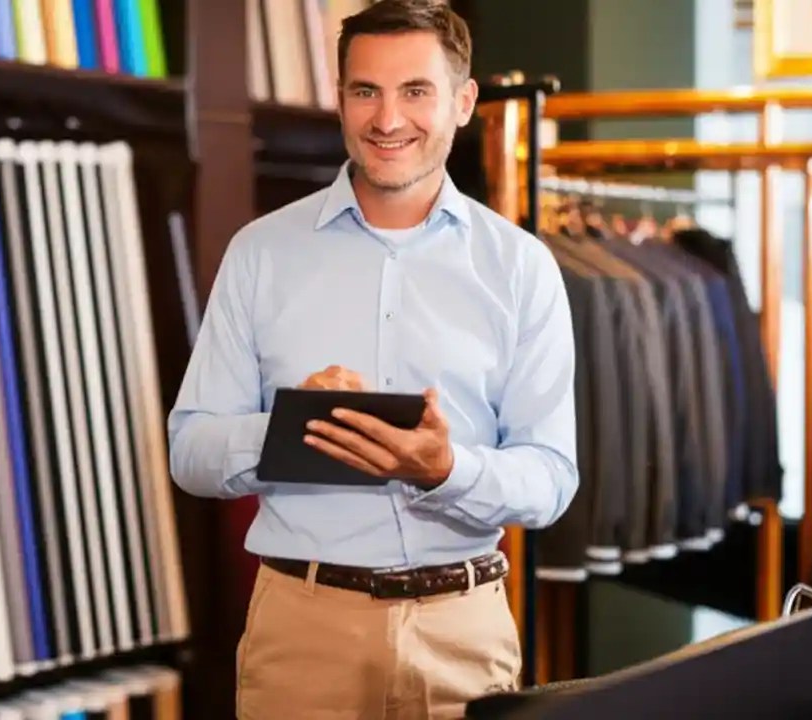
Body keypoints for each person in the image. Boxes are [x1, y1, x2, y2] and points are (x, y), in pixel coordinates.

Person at [166, 0, 578, 717]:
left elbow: (550, 478)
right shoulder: (260, 253)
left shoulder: (521, 267)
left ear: (463, 102)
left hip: (462, 635)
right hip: (303, 631)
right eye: (366, 91)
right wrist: (292, 426)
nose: (388, 119)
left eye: (415, 91)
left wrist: (446, 470)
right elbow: (190, 452)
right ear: (340, 99)